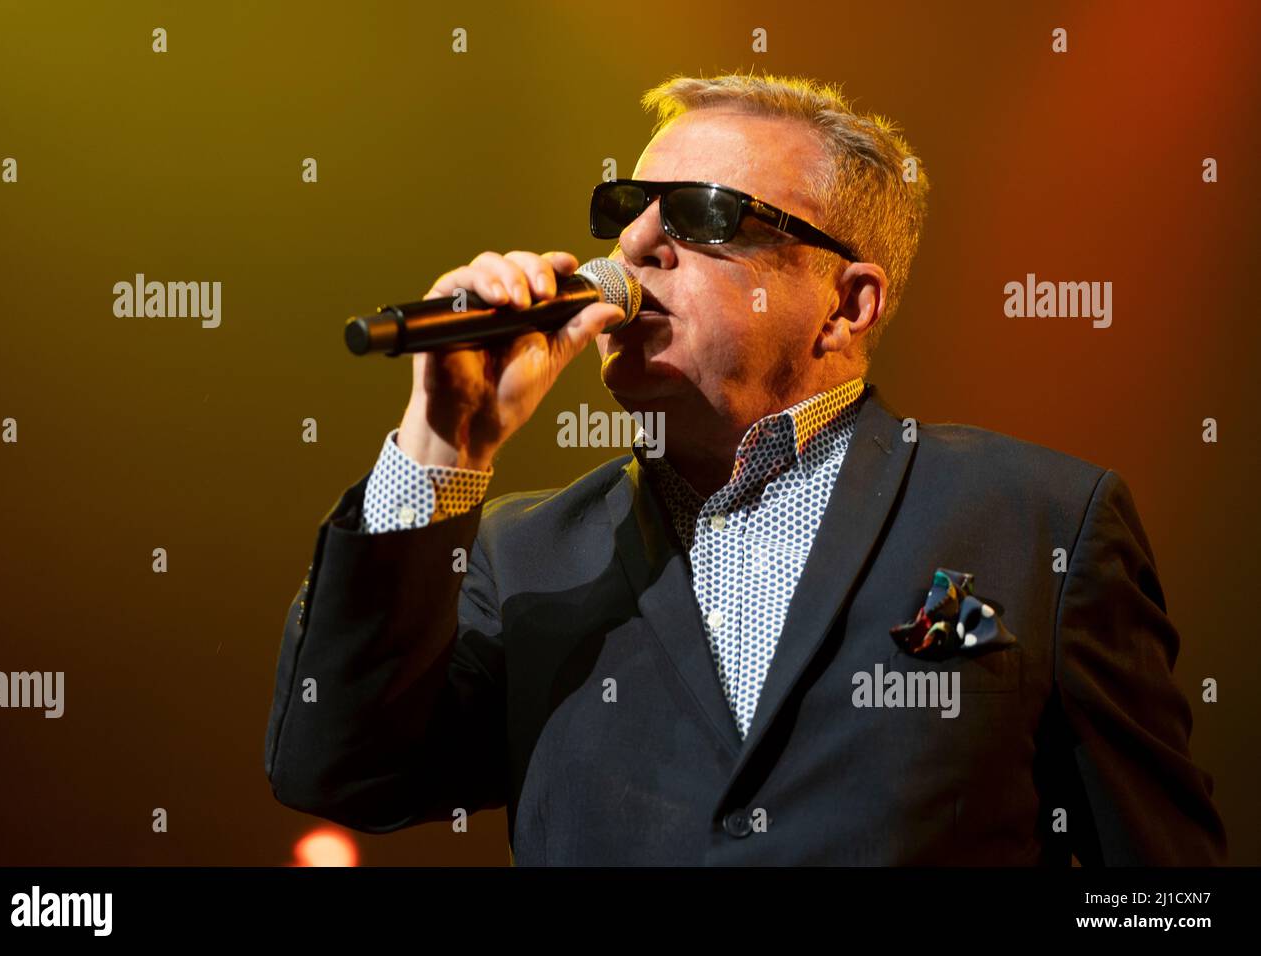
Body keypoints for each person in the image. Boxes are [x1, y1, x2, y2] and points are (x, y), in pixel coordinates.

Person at [264, 72, 1226, 865]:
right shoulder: (524, 552)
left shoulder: (1040, 522)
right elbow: (339, 768)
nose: (636, 243)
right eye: (626, 208)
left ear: (847, 306)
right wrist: (445, 442)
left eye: (701, 215)